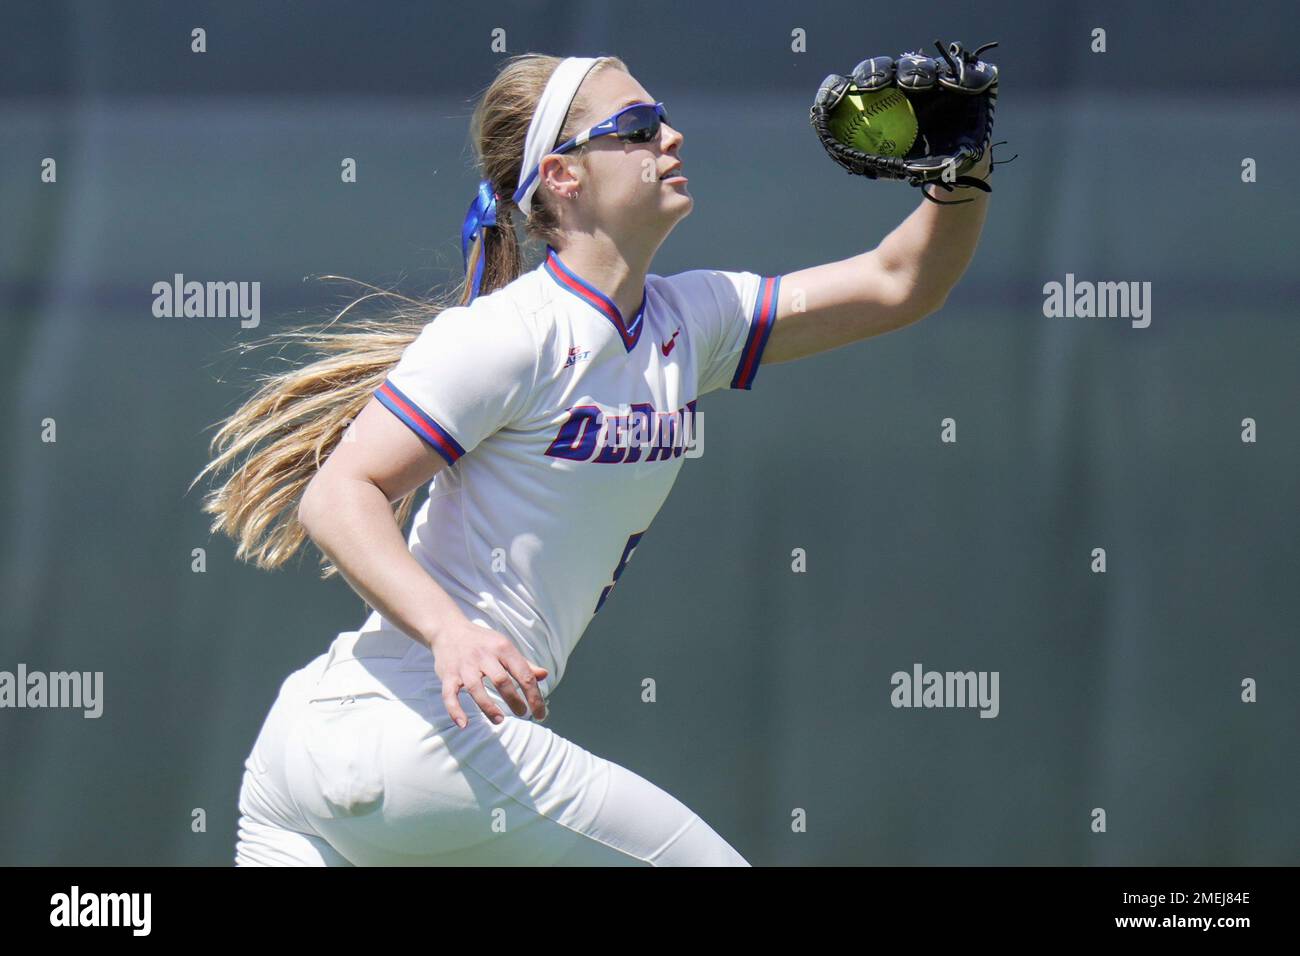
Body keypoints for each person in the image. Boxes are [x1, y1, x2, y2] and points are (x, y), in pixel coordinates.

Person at [195, 52, 992, 866]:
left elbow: (903, 282)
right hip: (426, 740)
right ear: (563, 176)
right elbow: (336, 497)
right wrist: (449, 633)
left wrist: (961, 169)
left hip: (324, 752)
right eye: (639, 128)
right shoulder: (511, 334)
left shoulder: (695, 318)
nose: (672, 137)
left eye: (664, 118)